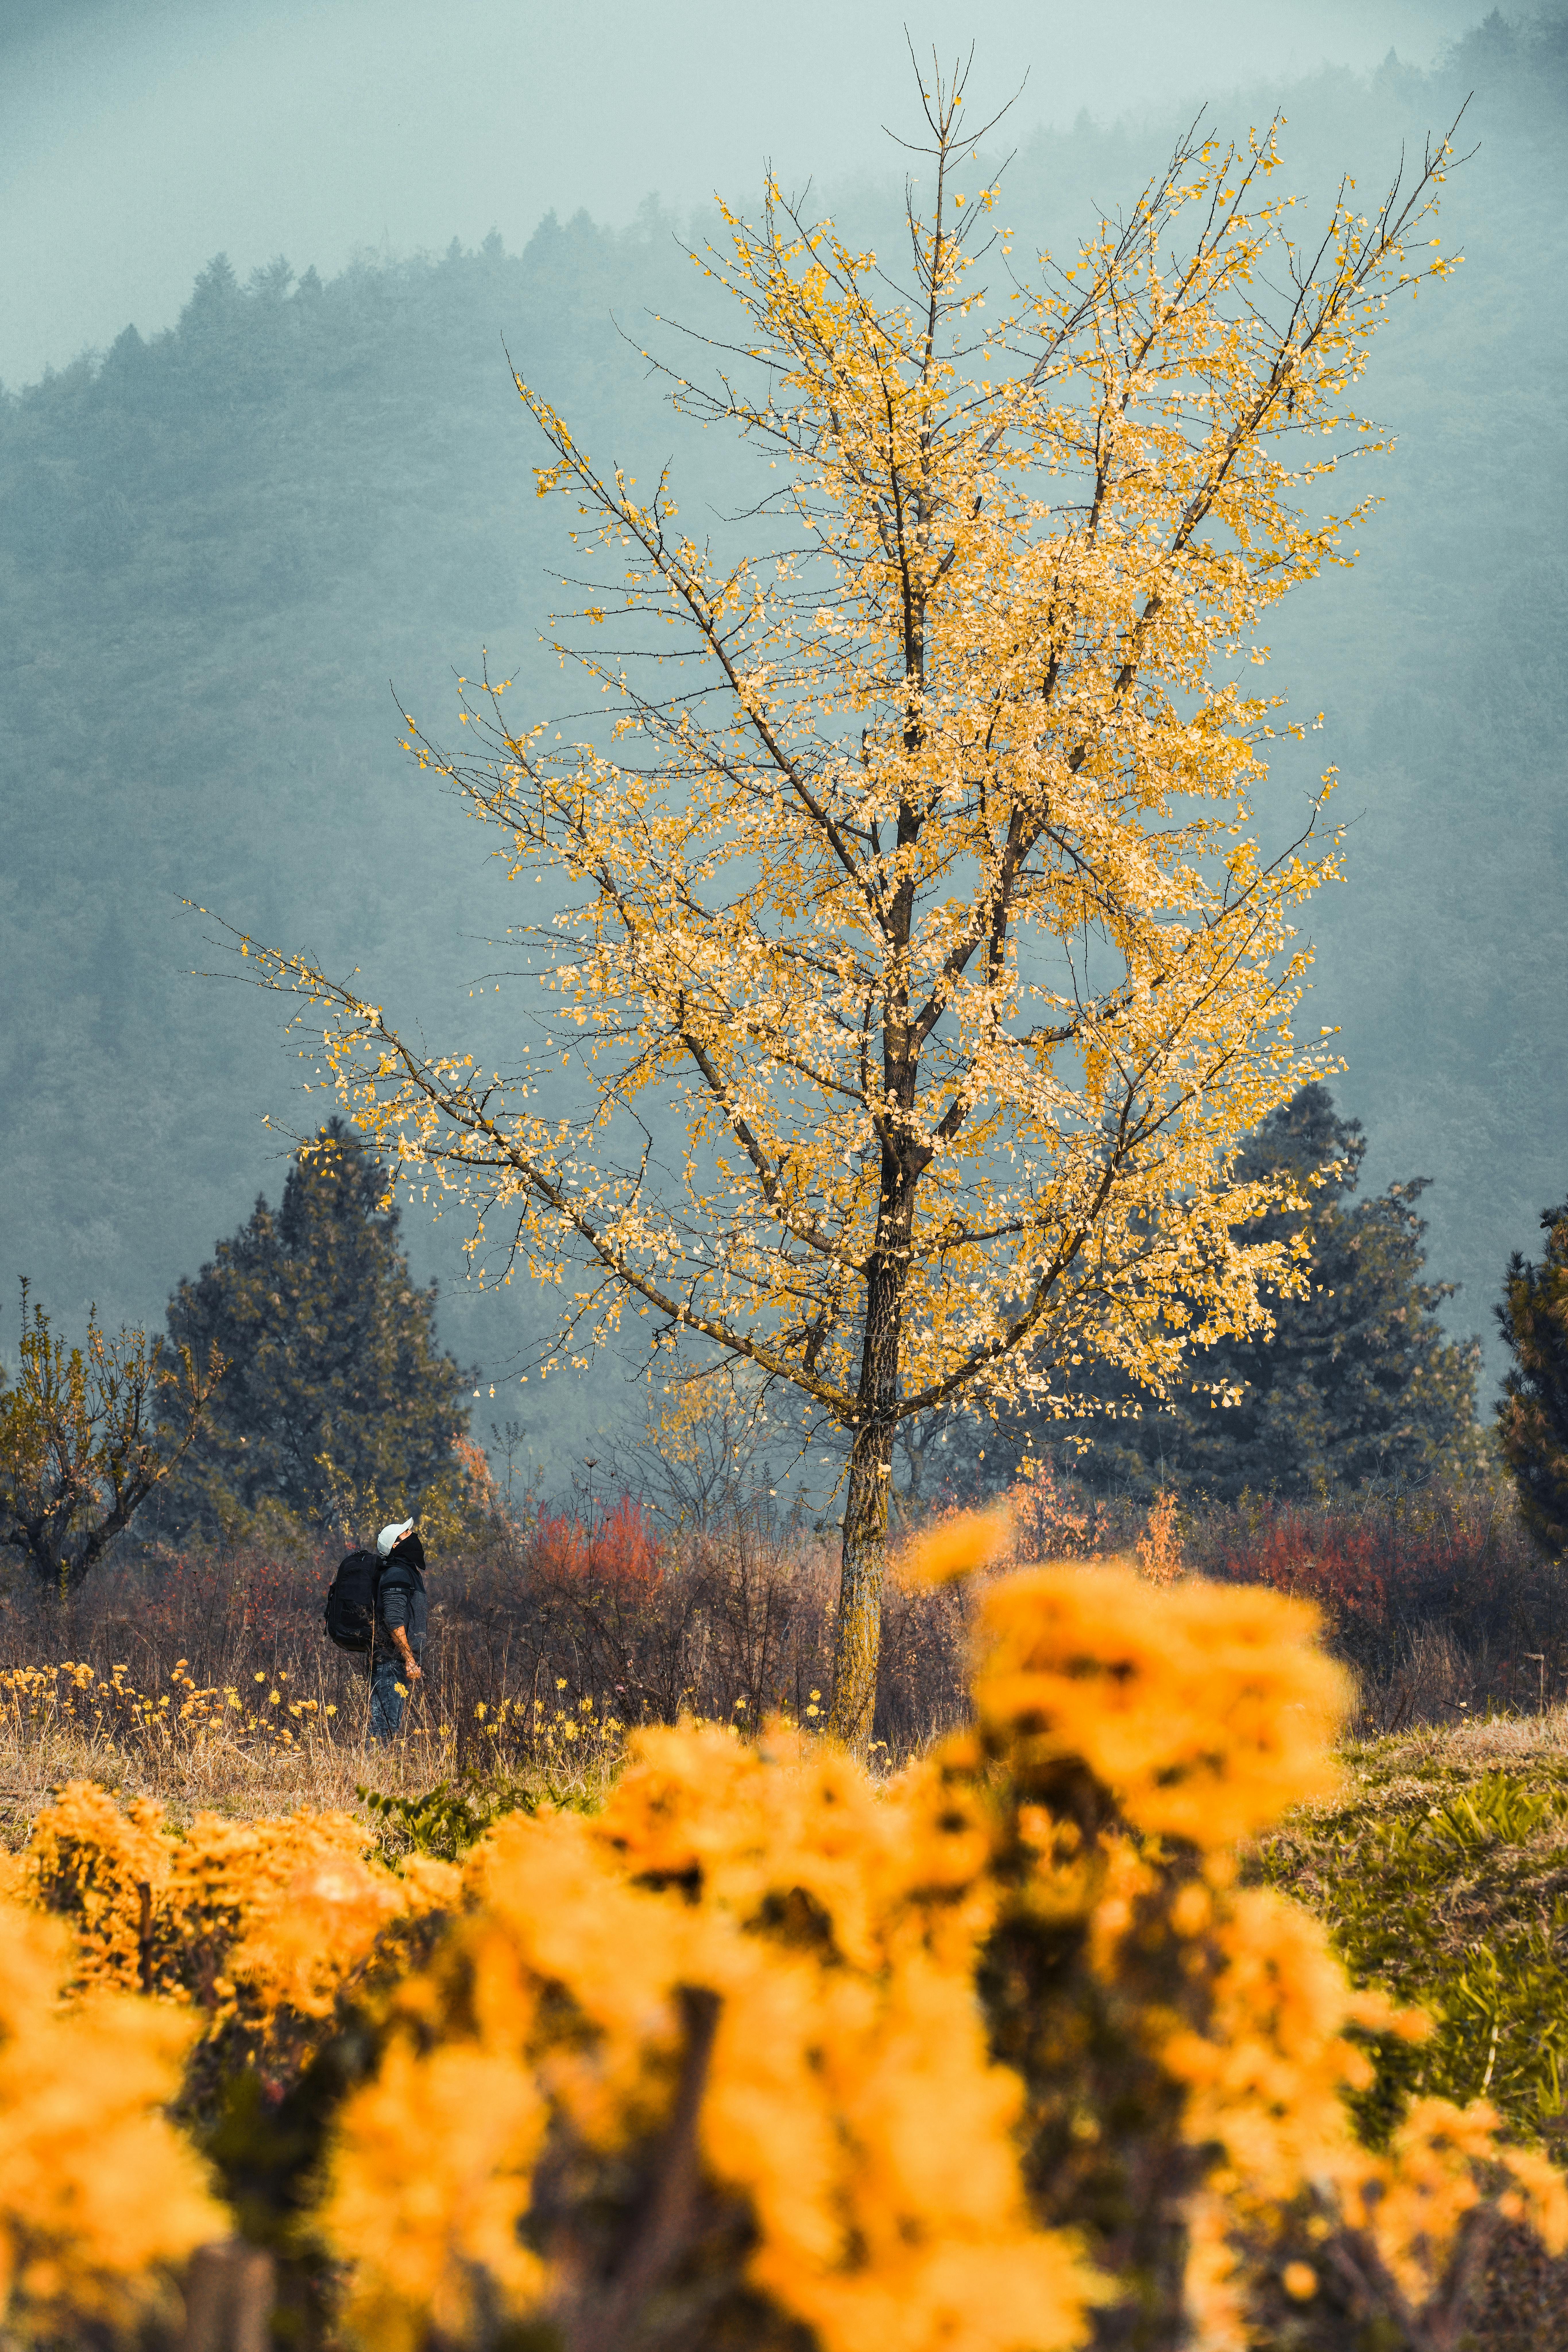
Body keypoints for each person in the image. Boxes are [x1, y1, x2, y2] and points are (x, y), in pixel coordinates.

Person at [370, 1517, 427, 1742]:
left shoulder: (406, 1572)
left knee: (389, 1726)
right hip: (391, 1662)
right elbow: (394, 1620)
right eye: (406, 1534)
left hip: (396, 1663)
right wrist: (409, 1659)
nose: (412, 1535)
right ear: (396, 1545)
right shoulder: (396, 1574)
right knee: (384, 1728)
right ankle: (372, 1774)